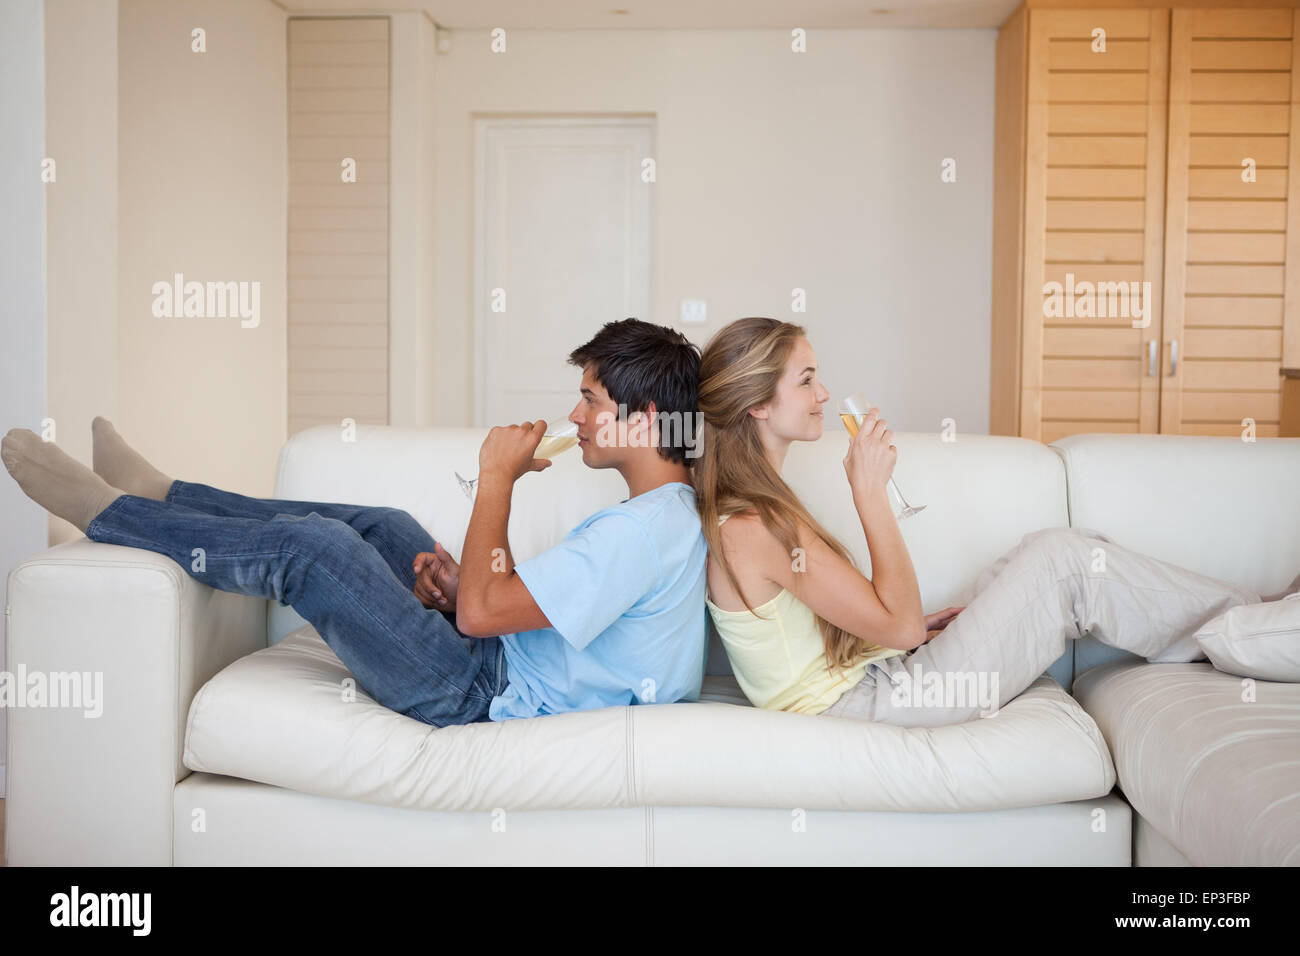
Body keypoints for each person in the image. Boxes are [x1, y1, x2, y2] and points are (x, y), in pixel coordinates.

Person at [1, 318, 708, 728]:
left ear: (642, 419)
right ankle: (165, 494)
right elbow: (512, 605)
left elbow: (488, 614)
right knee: (385, 524)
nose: (576, 419)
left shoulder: (641, 533)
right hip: (498, 657)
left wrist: (496, 479)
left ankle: (108, 513)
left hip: (474, 689)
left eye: (590, 401)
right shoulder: (657, 519)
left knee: (315, 550)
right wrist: (464, 589)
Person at [693, 316, 1284, 727]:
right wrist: (870, 492)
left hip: (876, 678)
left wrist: (913, 628)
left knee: (1048, 548)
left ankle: (1253, 621)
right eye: (805, 379)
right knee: (1067, 566)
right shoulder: (752, 524)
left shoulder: (750, 510)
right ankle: (1267, 629)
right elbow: (894, 630)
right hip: (870, 704)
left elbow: (846, 629)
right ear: (758, 404)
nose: (824, 392)